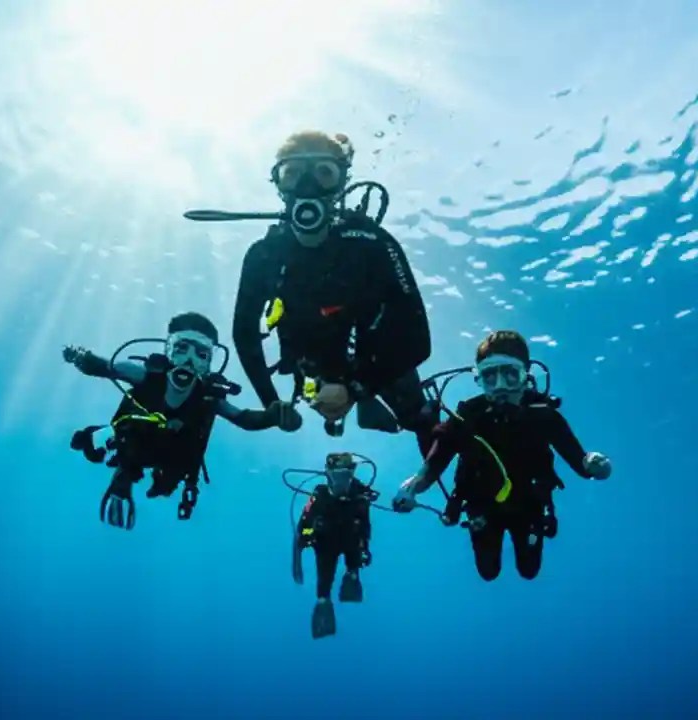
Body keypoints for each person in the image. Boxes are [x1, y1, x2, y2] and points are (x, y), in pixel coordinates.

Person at [229, 130, 436, 442]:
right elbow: (244, 333)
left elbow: (418, 339)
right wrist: (271, 401)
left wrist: (357, 388)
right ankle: (338, 413)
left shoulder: (372, 243)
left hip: (376, 358)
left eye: (324, 173)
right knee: (321, 393)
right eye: (293, 174)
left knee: (420, 419)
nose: (307, 187)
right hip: (311, 366)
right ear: (279, 184)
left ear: (341, 184)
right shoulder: (264, 255)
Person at [391, 330, 613, 581]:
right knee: (488, 572)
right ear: (479, 379)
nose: (500, 387)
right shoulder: (467, 416)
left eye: (510, 374)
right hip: (482, 508)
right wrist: (410, 487)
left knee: (529, 571)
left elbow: (581, 462)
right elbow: (434, 463)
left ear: (525, 376)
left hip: (529, 507)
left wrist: (595, 464)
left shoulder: (543, 415)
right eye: (489, 376)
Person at [65, 311, 301, 529]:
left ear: (209, 362)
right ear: (168, 350)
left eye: (201, 355)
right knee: (113, 447)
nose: (189, 361)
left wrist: (274, 416)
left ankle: (134, 471)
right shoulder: (147, 375)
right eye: (182, 349)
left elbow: (244, 419)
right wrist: (79, 356)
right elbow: (105, 367)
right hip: (133, 444)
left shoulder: (208, 397)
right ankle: (117, 467)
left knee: (169, 481)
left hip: (173, 456)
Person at [292, 452, 376, 639]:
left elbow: (364, 524)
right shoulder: (319, 494)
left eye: (346, 475)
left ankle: (351, 575)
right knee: (325, 575)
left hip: (350, 540)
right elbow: (304, 526)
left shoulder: (359, 493)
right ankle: (324, 599)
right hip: (326, 542)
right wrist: (309, 535)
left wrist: (364, 548)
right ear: (328, 474)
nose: (342, 481)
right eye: (337, 475)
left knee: (352, 559)